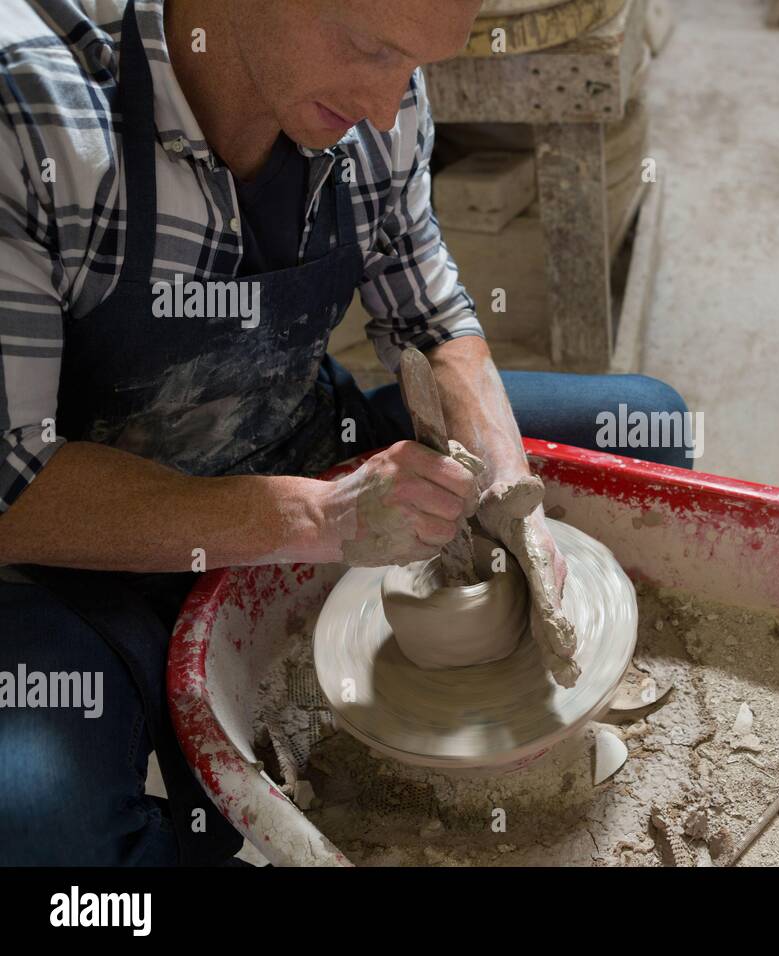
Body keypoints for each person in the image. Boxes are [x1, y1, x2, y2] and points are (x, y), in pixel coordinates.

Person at [0, 0, 689, 865]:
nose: (385, 105)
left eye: (413, 65)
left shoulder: (383, 96)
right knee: (38, 831)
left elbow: (435, 324)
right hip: (80, 558)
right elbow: (14, 486)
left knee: (650, 426)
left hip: (298, 436)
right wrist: (322, 521)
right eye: (368, 48)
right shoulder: (29, 108)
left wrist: (513, 502)